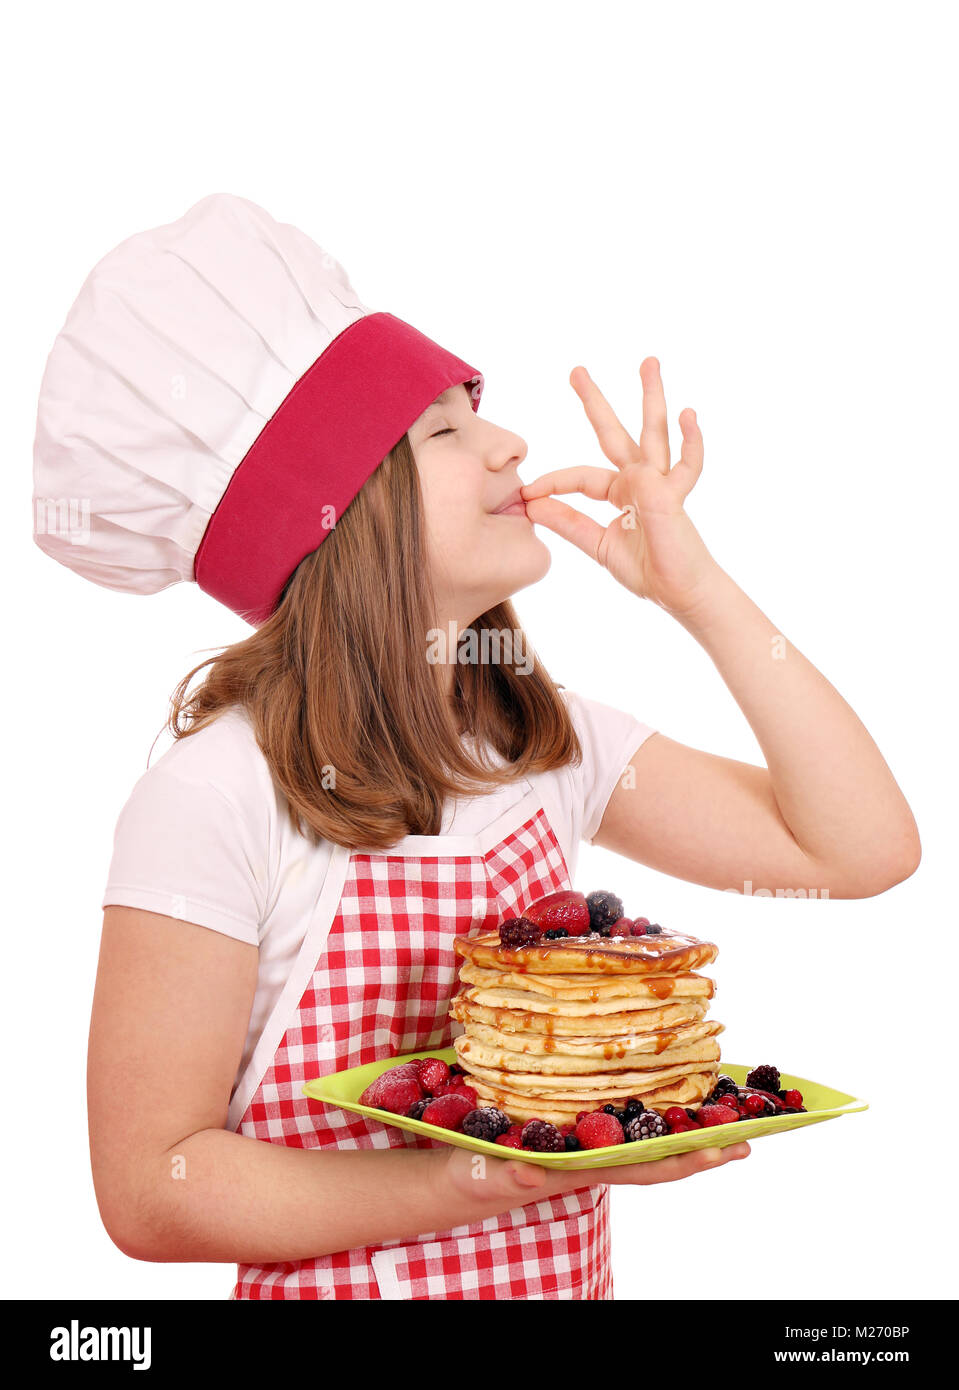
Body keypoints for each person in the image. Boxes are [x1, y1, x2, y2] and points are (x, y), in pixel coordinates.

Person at [33, 193, 920, 1300]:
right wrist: (466, 1179)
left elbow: (861, 851)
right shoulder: (217, 792)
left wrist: (696, 593)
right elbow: (150, 1189)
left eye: (475, 407)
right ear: (337, 515)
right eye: (444, 430)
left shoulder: (542, 746)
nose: (508, 441)